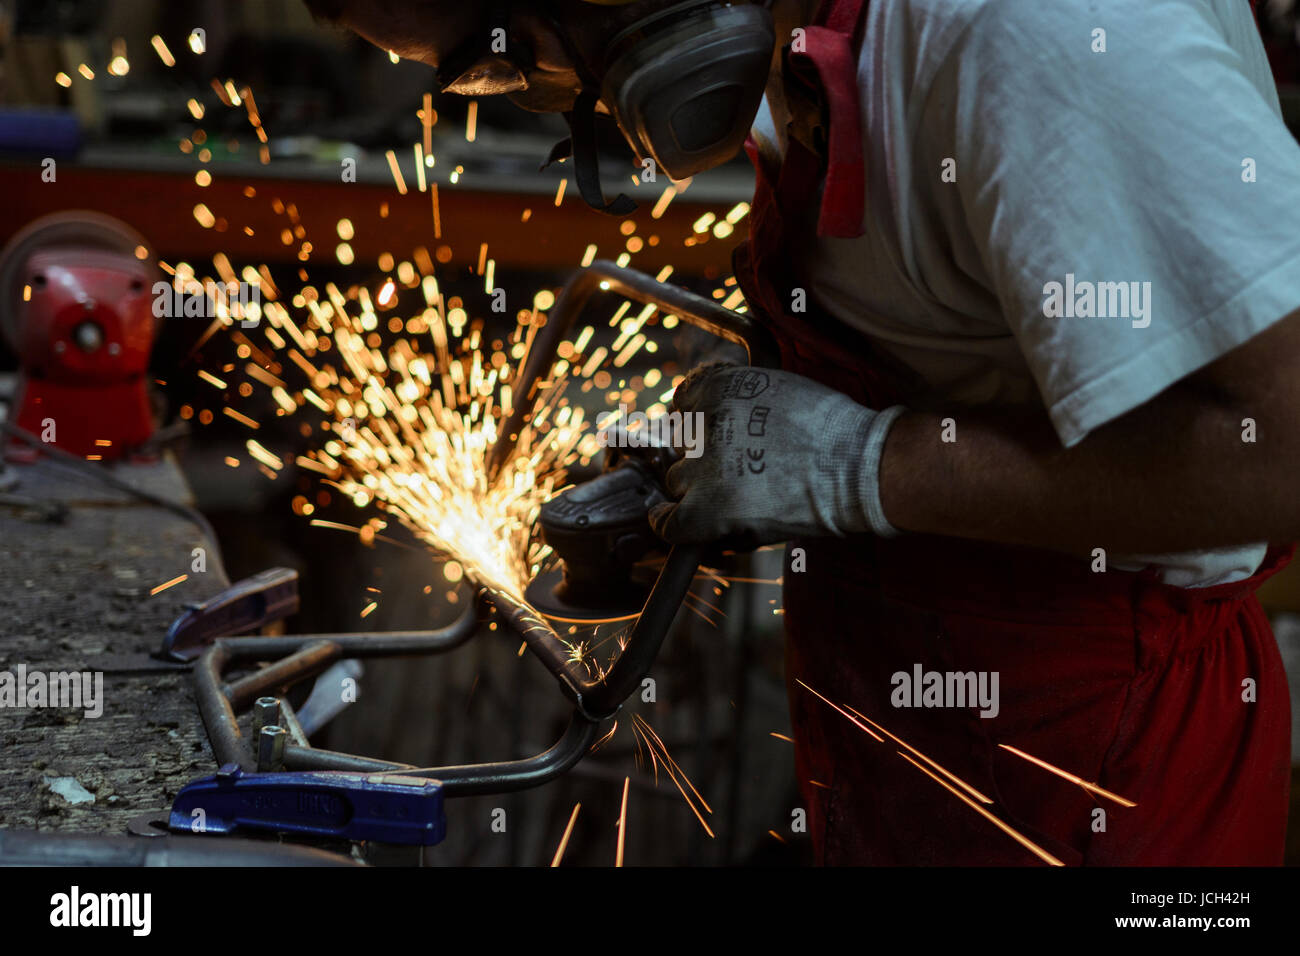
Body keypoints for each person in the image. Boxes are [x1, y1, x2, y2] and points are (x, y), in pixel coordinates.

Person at [305, 0, 1300, 865]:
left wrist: (862, 465)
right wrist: (761, 454)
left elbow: (1284, 446)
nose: (539, 93)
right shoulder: (796, 29)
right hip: (924, 734)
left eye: (501, 55)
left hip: (1093, 765)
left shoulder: (1030, 34)